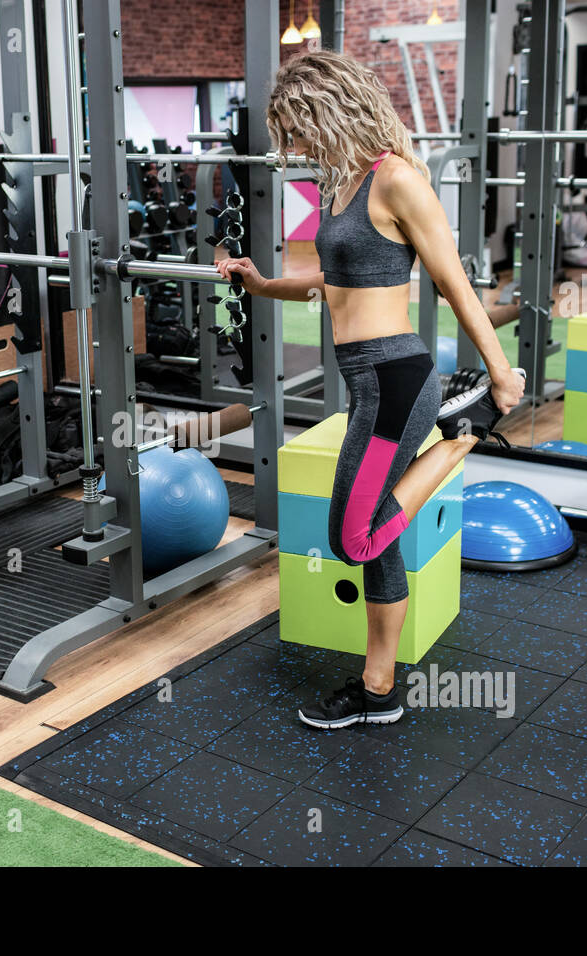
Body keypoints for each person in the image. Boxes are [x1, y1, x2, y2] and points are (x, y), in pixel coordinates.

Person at [216, 51, 525, 730]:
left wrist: (501, 371)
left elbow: (452, 281)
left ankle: (460, 440)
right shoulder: (342, 184)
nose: (294, 144)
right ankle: (378, 690)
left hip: (395, 381)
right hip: (367, 383)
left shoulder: (397, 180)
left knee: (352, 538)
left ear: (330, 109)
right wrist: (263, 284)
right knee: (375, 536)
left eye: (298, 127)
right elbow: (334, 282)